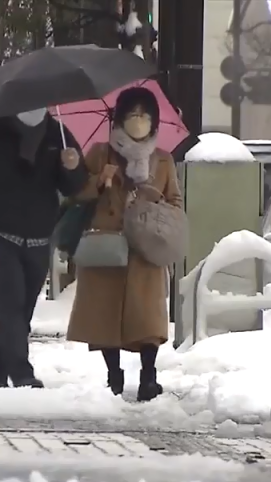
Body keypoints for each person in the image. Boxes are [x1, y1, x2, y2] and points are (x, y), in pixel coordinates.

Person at [0, 108, 87, 388]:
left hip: (39, 236)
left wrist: (72, 168)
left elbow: (74, 187)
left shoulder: (57, 134)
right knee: (10, 303)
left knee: (23, 309)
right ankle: (21, 371)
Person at [65, 87, 183, 402]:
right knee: (105, 314)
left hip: (146, 247)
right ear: (119, 119)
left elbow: (175, 201)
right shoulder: (100, 154)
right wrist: (99, 181)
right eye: (132, 115)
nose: (139, 121)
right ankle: (113, 374)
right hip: (107, 244)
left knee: (148, 319)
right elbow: (77, 195)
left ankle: (149, 375)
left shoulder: (162, 160)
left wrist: (154, 202)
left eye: (145, 115)